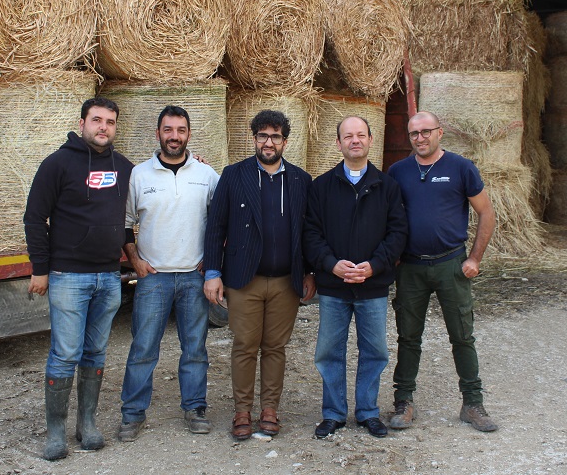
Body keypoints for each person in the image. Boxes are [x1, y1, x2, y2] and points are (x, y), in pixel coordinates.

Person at [24, 97, 134, 461]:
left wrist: (194, 163)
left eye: (110, 122)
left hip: (108, 275)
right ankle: (55, 431)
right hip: (68, 276)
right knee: (65, 353)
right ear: (82, 122)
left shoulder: (123, 167)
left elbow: (157, 179)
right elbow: (34, 218)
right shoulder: (57, 164)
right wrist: (40, 268)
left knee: (96, 352)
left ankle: (86, 423)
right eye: (97, 120)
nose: (104, 127)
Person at [203, 109, 315, 441]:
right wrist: (213, 272)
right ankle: (242, 411)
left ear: (285, 141)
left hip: (286, 282)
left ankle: (269, 410)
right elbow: (215, 226)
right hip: (244, 279)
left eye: (275, 136)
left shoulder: (300, 180)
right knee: (245, 346)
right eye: (262, 135)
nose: (269, 142)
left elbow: (308, 232)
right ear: (254, 139)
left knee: (276, 347)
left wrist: (309, 272)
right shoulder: (234, 175)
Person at [387, 111, 498, 433]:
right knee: (408, 337)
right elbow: (388, 217)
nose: (420, 138)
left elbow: (486, 212)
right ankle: (404, 401)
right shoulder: (398, 171)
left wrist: (475, 258)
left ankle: (473, 404)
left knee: (462, 336)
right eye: (413, 134)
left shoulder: (461, 168)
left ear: (440, 133)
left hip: (451, 264)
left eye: (425, 132)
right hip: (410, 267)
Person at [118, 105, 220, 442]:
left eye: (180, 130)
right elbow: (126, 223)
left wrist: (213, 261)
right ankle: (132, 414)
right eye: (168, 129)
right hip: (154, 277)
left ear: (189, 134)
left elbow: (222, 220)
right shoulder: (139, 175)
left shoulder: (206, 175)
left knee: (195, 349)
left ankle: (194, 408)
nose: (174, 136)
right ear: (158, 133)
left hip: (194, 275)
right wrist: (135, 260)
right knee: (144, 347)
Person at [303, 116, 408, 439]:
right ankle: (333, 413)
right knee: (329, 352)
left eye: (360, 135)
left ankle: (367, 412)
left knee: (374, 351)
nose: (355, 141)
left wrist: (375, 265)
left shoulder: (387, 187)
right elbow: (310, 232)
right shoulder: (321, 186)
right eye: (348, 136)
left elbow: (398, 232)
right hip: (333, 287)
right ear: (338, 144)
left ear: (370, 140)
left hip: (373, 286)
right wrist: (330, 264)